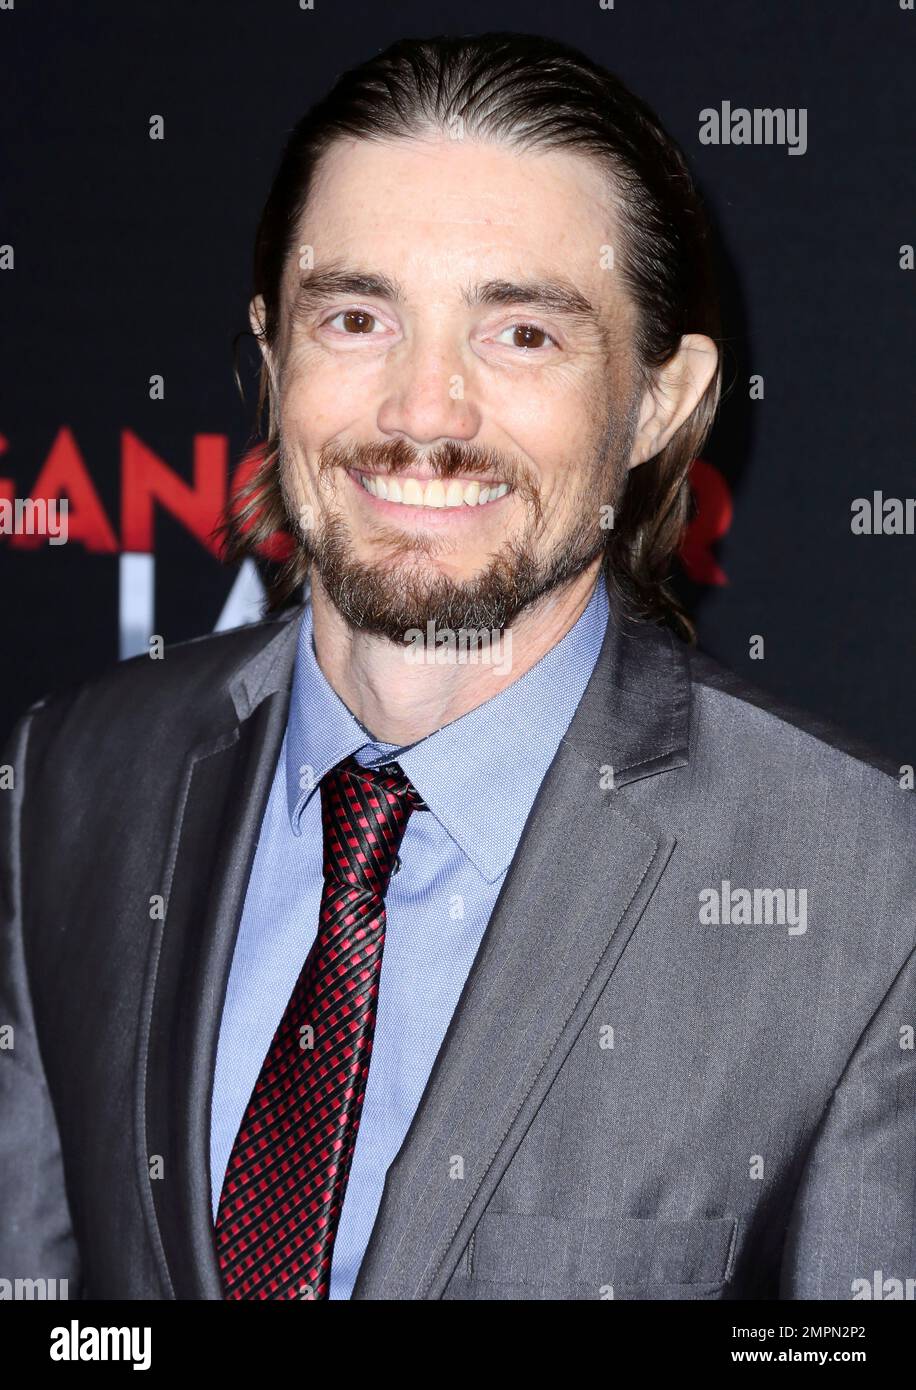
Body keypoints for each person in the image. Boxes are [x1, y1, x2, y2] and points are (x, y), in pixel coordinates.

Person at [1, 32, 913, 1302]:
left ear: (659, 403)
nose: (423, 411)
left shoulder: (866, 886)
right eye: (358, 317)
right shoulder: (75, 775)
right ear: (272, 362)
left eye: (523, 333)